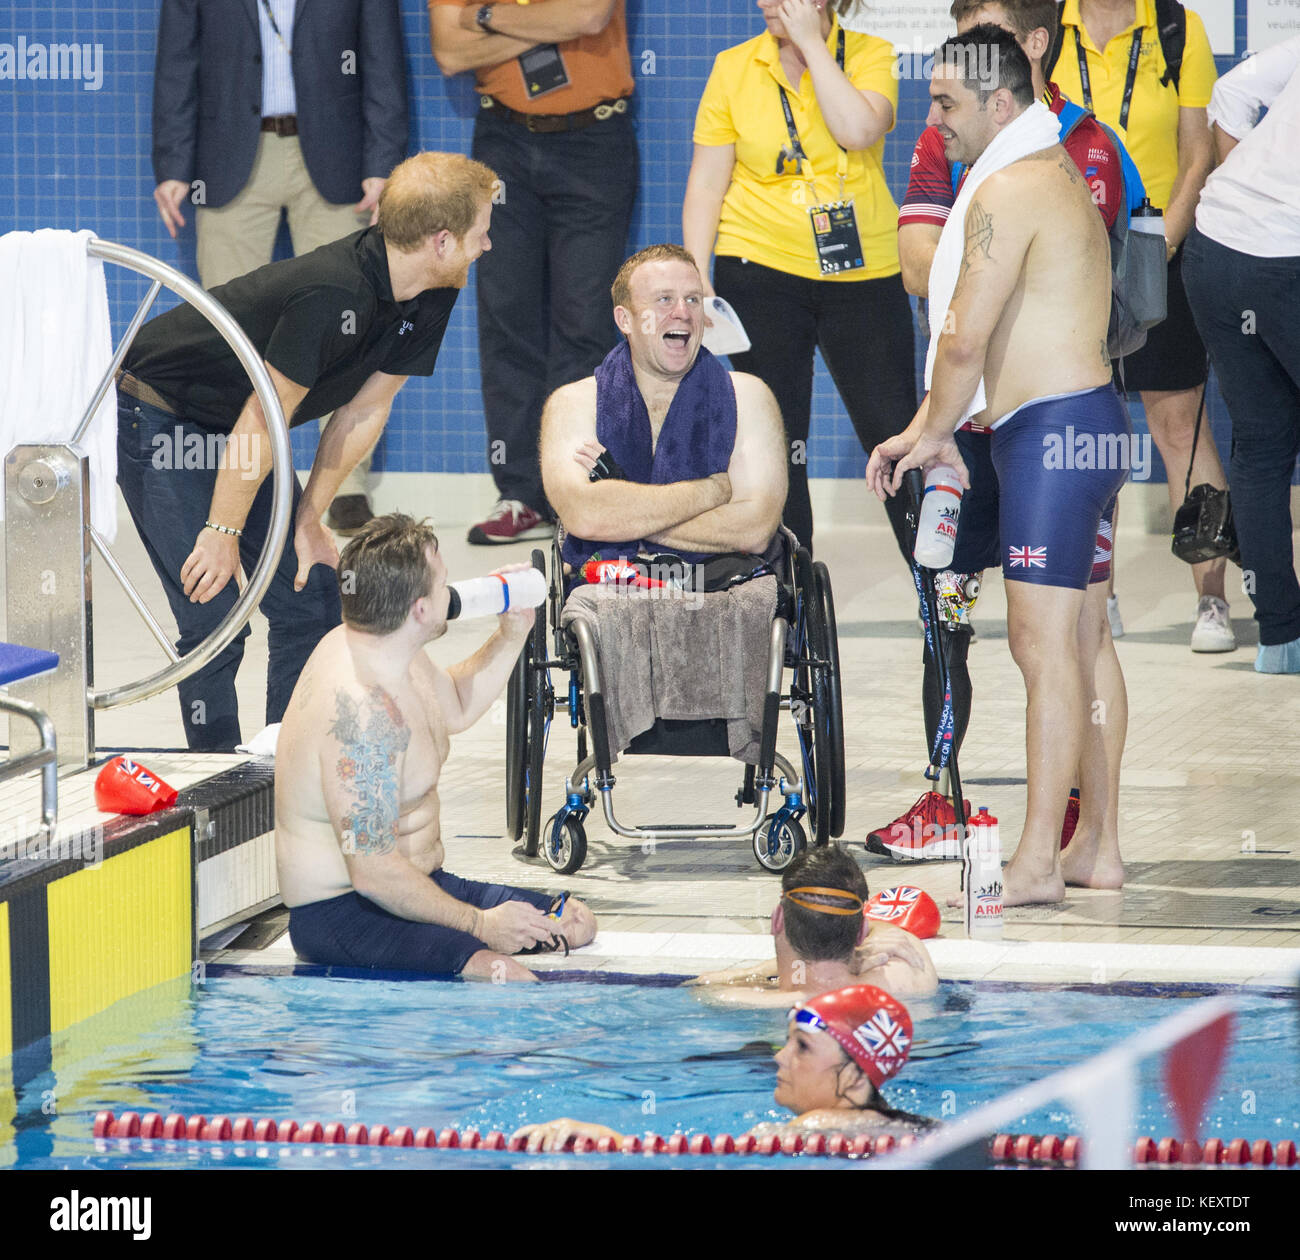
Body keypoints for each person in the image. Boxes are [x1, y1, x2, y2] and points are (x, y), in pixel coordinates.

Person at [866, 27, 1129, 906]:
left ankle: (1038, 862)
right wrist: (938, 426)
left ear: (1000, 102)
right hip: (1086, 427)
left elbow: (962, 337)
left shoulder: (1009, 188)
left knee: (1040, 646)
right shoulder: (1050, 168)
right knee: (1084, 643)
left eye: (947, 104)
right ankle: (1097, 848)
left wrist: (928, 433)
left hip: (1050, 436)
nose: (934, 121)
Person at [117, 152, 495, 751]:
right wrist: (221, 530)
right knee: (213, 610)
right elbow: (261, 418)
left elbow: (364, 409)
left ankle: (280, 761)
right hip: (163, 411)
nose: (488, 245)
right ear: (442, 241)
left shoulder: (433, 290)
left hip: (244, 422)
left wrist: (308, 517)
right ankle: (213, 774)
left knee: (309, 593)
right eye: (481, 233)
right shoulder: (333, 289)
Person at [275, 514, 596, 979]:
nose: (454, 593)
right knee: (501, 973)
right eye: (444, 583)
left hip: (419, 888)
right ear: (421, 610)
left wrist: (513, 632)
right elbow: (372, 872)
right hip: (345, 915)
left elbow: (457, 704)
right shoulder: (361, 716)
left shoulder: (389, 645)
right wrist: (481, 926)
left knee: (573, 921)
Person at [151, 0, 409, 534]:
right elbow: (177, 62)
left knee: (349, 327)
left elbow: (383, 61)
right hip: (226, 158)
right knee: (225, 332)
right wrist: (174, 164)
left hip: (339, 161)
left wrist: (383, 163)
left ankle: (346, 489)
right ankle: (238, 489)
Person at [682, 0, 916, 554]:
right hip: (757, 267)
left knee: (895, 433)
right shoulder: (734, 66)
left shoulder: (872, 54)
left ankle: (938, 591)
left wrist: (812, 44)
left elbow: (858, 130)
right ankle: (791, 593)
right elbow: (707, 183)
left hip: (863, 271)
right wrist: (695, 274)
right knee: (778, 441)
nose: (767, 3)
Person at [1045, 0, 1231, 652]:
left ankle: (1212, 598)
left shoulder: (1177, 28)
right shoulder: (1049, 25)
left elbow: (1198, 155)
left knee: (1179, 426)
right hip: (1066, 255)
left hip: (1159, 249)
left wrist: (1159, 245)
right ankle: (1098, 596)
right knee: (1083, 427)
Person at [428, 0, 638, 546]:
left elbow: (589, 17)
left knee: (585, 324)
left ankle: (572, 492)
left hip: (595, 140)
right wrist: (551, 24)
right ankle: (520, 493)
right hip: (502, 141)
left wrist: (484, 16)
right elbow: (450, 53)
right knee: (506, 320)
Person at [540, 244, 787, 568]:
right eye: (664, 299)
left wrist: (623, 516)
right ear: (625, 319)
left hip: (723, 583)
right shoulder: (574, 403)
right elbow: (585, 517)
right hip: (610, 585)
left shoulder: (748, 396)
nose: (683, 312)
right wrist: (712, 492)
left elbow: (753, 531)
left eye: (693, 299)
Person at [1183, 37, 1300, 674]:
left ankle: (1280, 640)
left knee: (1260, 443)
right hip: (1283, 259)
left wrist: (1251, 201)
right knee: (1261, 443)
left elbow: (1229, 93)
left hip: (1216, 244)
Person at [512, 984, 936, 1150]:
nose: (780, 1056)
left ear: (856, 1077)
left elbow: (702, 1157)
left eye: (803, 1047)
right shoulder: (907, 1128)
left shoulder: (817, 1125)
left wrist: (609, 1141)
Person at [690, 845, 939, 1005]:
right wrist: (852, 957)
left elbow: (703, 986)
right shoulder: (907, 976)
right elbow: (889, 932)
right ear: (861, 932)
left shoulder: (731, 999)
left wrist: (748, 973)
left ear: (777, 920)